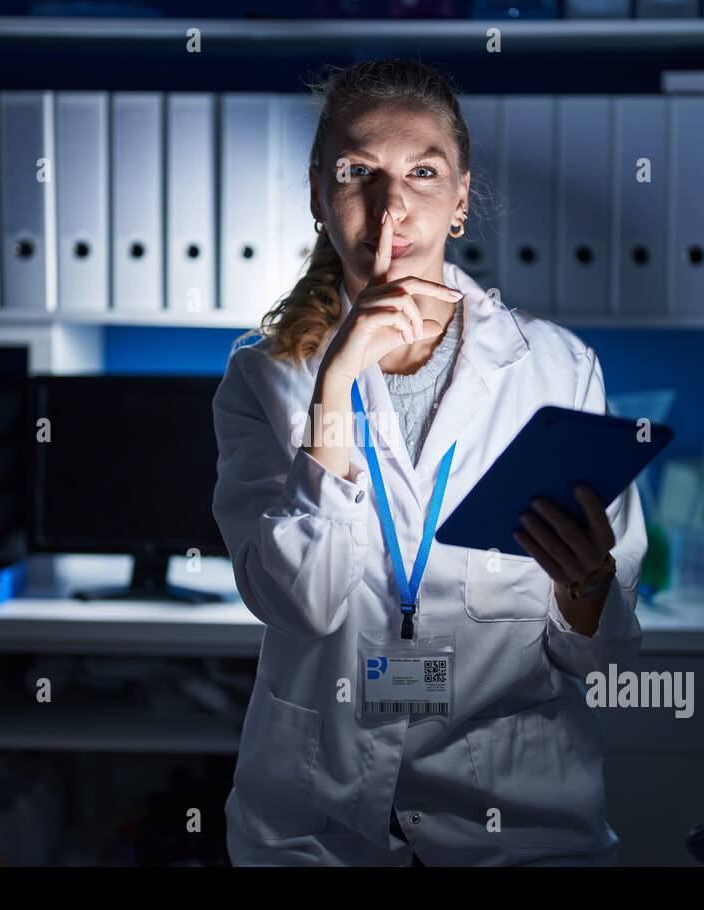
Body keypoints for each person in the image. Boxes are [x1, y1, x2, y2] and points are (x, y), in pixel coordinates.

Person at [212, 58, 647, 866]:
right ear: (318, 194)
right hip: (318, 828)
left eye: (422, 171)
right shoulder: (266, 379)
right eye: (358, 172)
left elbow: (610, 658)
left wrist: (588, 590)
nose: (391, 205)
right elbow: (301, 602)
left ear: (461, 200)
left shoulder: (556, 372)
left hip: (517, 827)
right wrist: (336, 383)